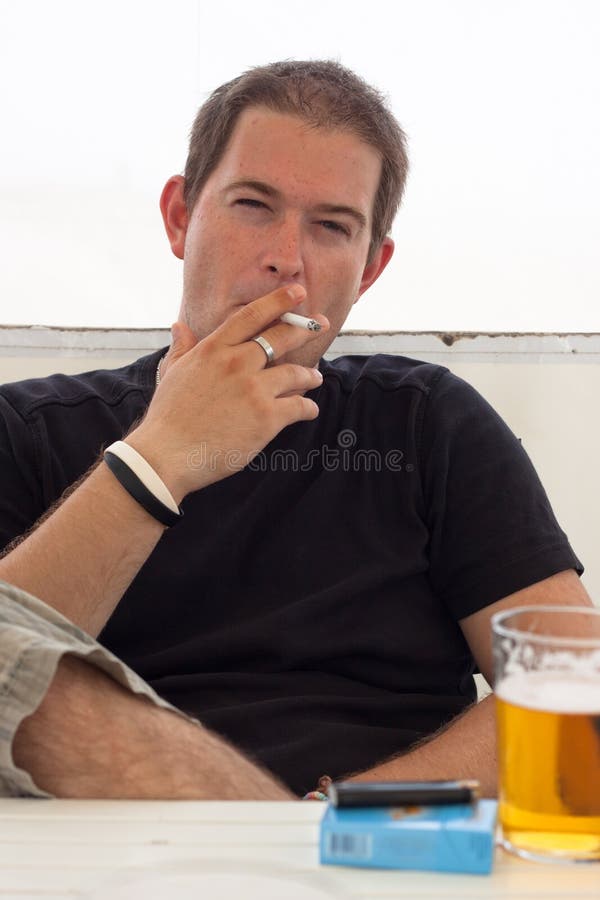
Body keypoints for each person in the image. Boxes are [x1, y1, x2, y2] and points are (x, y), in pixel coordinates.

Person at [0, 60, 590, 800]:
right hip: (117, 842)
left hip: (373, 847)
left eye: (332, 226)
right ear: (181, 217)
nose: (287, 255)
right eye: (253, 204)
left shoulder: (425, 420)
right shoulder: (28, 430)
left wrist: (341, 820)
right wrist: (161, 458)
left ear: (370, 268)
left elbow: (576, 689)